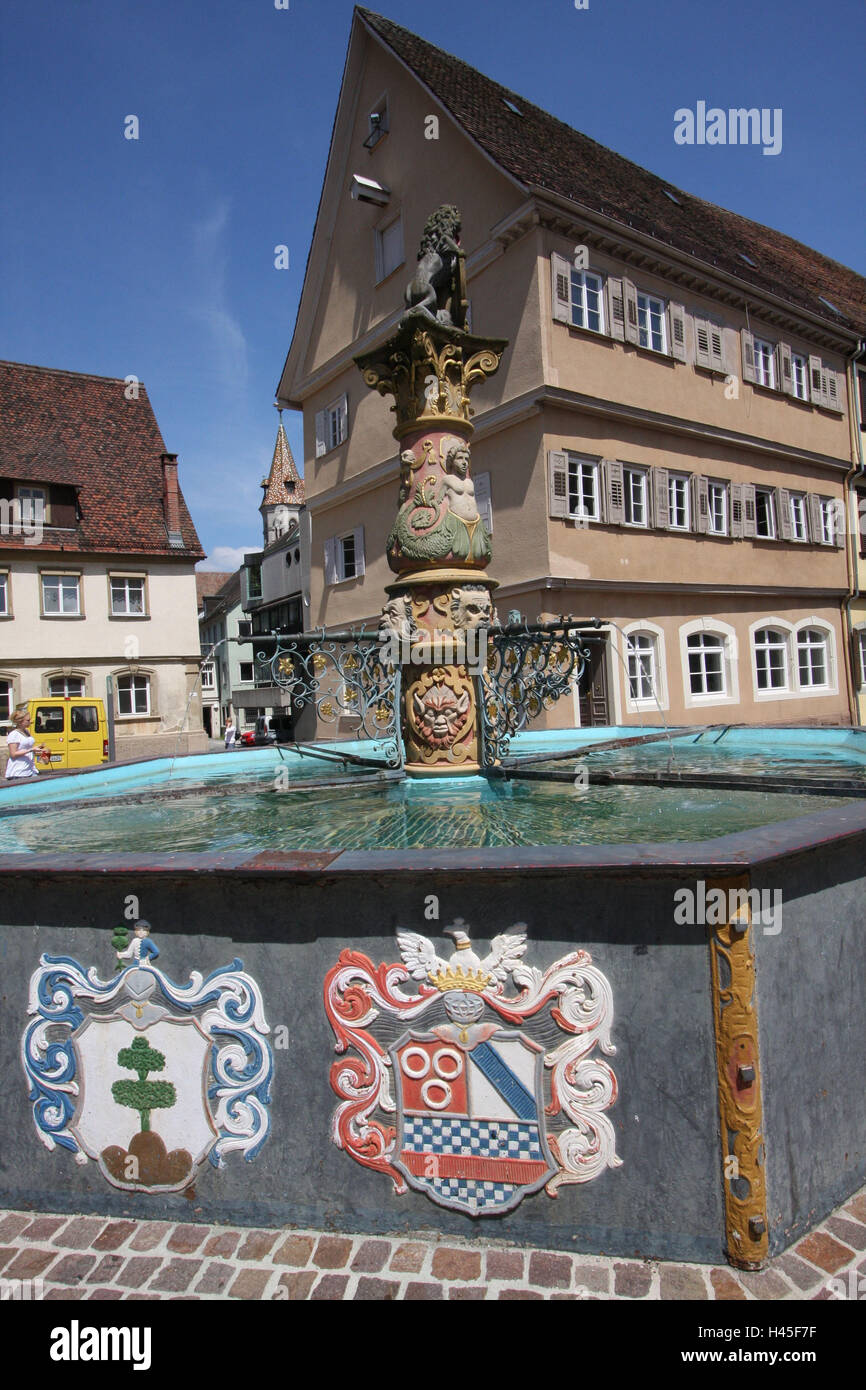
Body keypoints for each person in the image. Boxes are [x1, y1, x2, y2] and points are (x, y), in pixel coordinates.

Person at [5, 706, 49, 782]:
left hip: (30, 770)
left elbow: (27, 748)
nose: (30, 721)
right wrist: (31, 749)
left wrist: (39, 750)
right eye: (28, 720)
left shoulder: (26, 732)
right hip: (18, 772)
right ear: (20, 721)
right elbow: (13, 754)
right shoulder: (14, 734)